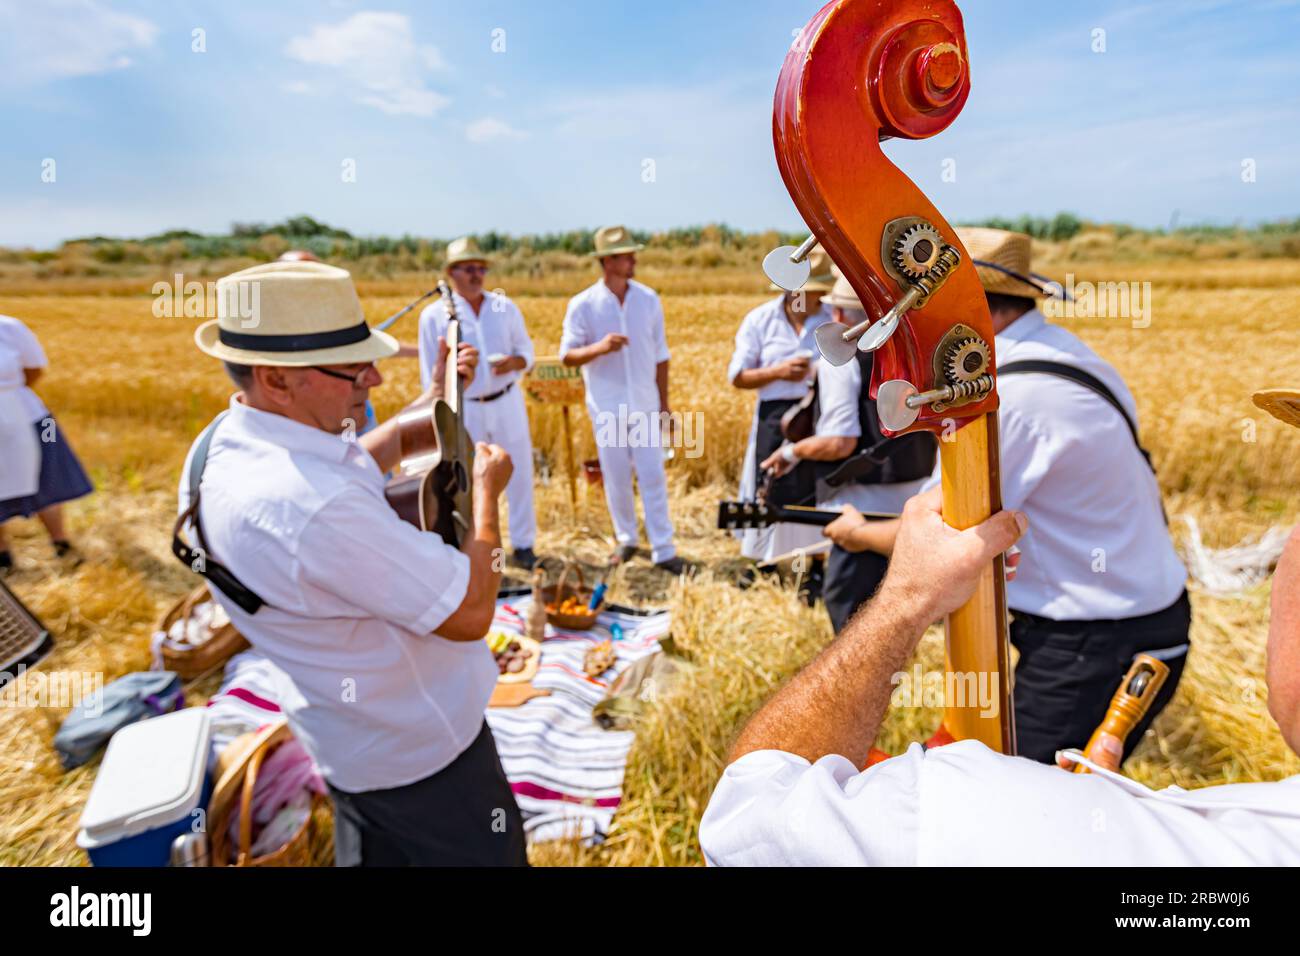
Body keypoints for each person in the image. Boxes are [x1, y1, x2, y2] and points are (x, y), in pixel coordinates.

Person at [700, 488, 1300, 866]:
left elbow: (748, 817)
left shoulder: (969, 814)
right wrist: (1098, 815)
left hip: (1086, 637)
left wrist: (905, 597)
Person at [179, 260, 526, 866]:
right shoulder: (317, 509)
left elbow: (342, 464)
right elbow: (471, 613)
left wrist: (429, 408)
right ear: (275, 379)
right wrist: (490, 492)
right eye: (351, 367)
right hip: (425, 758)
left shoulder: (222, 446)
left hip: (346, 742)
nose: (373, 378)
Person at [821, 229, 1189, 764]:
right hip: (1124, 621)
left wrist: (854, 533)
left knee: (1022, 813)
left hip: (1098, 643)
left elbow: (942, 537)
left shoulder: (1013, 396)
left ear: (960, 308)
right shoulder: (1066, 354)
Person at [762, 268, 937, 632]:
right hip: (915, 503)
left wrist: (791, 454)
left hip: (859, 511)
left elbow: (839, 442)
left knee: (851, 623)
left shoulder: (840, 360)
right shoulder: (918, 352)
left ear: (840, 316)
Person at [560, 225, 689, 574]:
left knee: (653, 477)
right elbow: (567, 356)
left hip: (646, 406)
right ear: (606, 261)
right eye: (625, 255)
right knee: (616, 479)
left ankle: (664, 550)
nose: (633, 259)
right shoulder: (583, 306)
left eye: (633, 253)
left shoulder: (648, 300)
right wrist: (600, 347)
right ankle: (626, 540)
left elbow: (662, 356)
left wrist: (664, 407)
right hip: (608, 409)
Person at [418, 237, 538, 570]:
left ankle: (525, 544)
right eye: (469, 268)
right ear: (451, 272)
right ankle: (476, 548)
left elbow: (527, 353)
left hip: (506, 401)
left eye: (481, 268)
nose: (477, 275)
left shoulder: (505, 308)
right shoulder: (433, 317)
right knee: (468, 479)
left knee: (519, 471)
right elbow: (430, 376)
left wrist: (515, 363)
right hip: (465, 407)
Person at [728, 245, 833, 563]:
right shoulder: (759, 321)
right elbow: (738, 376)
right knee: (768, 488)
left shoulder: (832, 320)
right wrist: (779, 372)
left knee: (812, 491)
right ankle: (763, 561)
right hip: (773, 418)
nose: (816, 299)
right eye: (810, 292)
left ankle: (811, 562)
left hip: (818, 416)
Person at [0, 313, 93, 573]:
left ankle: (61, 542)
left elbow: (34, 370)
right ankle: (3, 556)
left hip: (29, 415)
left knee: (46, 477)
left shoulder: (9, 327)